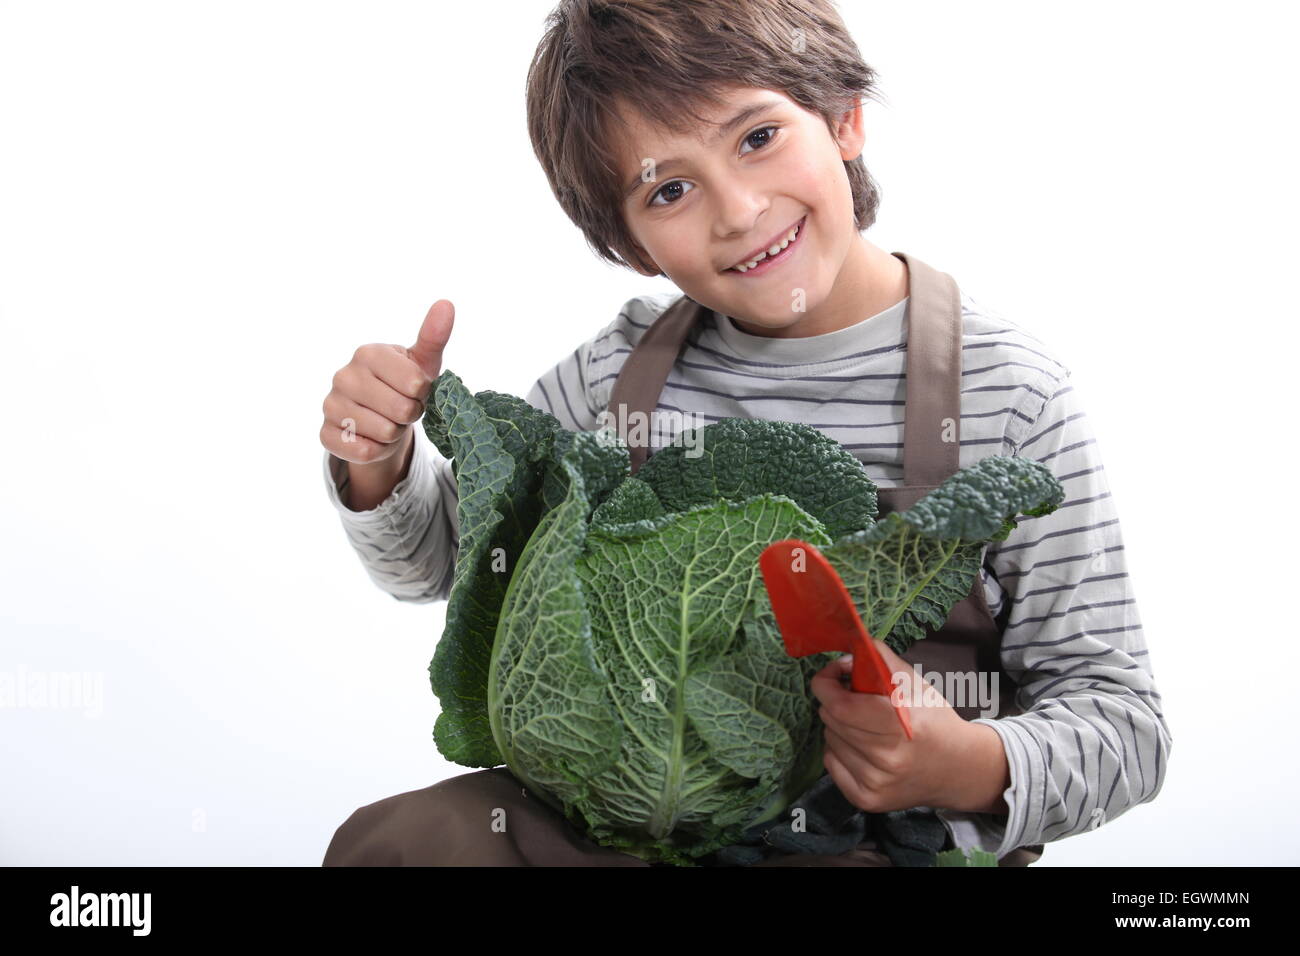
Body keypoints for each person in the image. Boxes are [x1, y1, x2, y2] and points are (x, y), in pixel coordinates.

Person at [317, 0, 1171, 866]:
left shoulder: (1008, 396)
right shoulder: (617, 375)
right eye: (670, 189)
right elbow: (446, 566)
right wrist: (380, 462)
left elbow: (1125, 726)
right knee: (405, 845)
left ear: (844, 116)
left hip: (882, 845)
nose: (738, 210)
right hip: (623, 826)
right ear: (632, 244)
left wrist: (964, 766)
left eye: (757, 137)